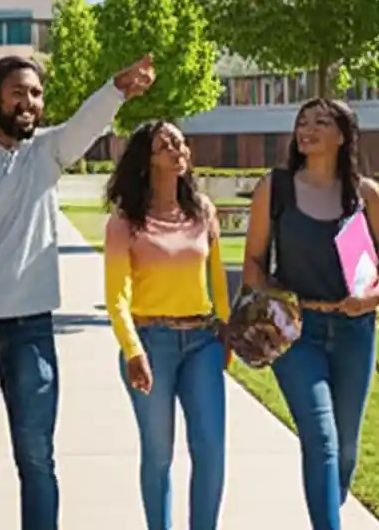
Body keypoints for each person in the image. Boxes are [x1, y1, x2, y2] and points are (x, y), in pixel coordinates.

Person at [0, 53, 156, 530]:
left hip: (31, 331)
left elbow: (86, 123)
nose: (30, 103)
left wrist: (116, 89)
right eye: (20, 93)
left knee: (38, 458)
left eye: (36, 94)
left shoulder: (47, 153)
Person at [241, 98, 379, 530]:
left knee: (346, 447)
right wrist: (272, 302)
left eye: (320, 121)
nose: (306, 128)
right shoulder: (274, 188)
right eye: (301, 121)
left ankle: (327, 509)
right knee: (322, 439)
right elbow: (253, 261)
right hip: (297, 333)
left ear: (343, 135)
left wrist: (376, 295)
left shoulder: (364, 194)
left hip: (355, 330)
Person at [103, 120, 229, 530]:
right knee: (158, 454)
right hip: (150, 344)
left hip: (202, 344)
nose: (178, 148)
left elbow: (217, 280)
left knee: (210, 448)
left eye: (180, 142)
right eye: (165, 144)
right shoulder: (125, 221)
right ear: (147, 159)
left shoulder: (202, 211)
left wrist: (225, 331)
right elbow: (116, 295)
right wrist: (132, 349)